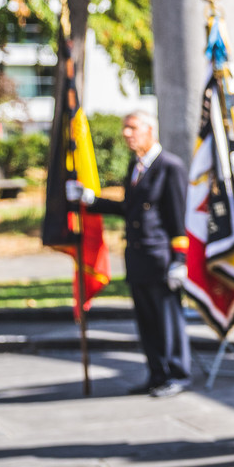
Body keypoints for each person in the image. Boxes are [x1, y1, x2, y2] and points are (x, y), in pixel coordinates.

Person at [66, 110, 191, 398]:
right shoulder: (136, 167)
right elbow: (129, 209)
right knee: (147, 323)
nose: (126, 133)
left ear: (151, 130)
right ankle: (157, 374)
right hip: (138, 257)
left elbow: (178, 217)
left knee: (168, 322)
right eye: (125, 128)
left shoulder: (169, 166)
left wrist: (180, 260)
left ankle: (178, 374)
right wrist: (90, 199)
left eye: (133, 128)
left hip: (161, 258)